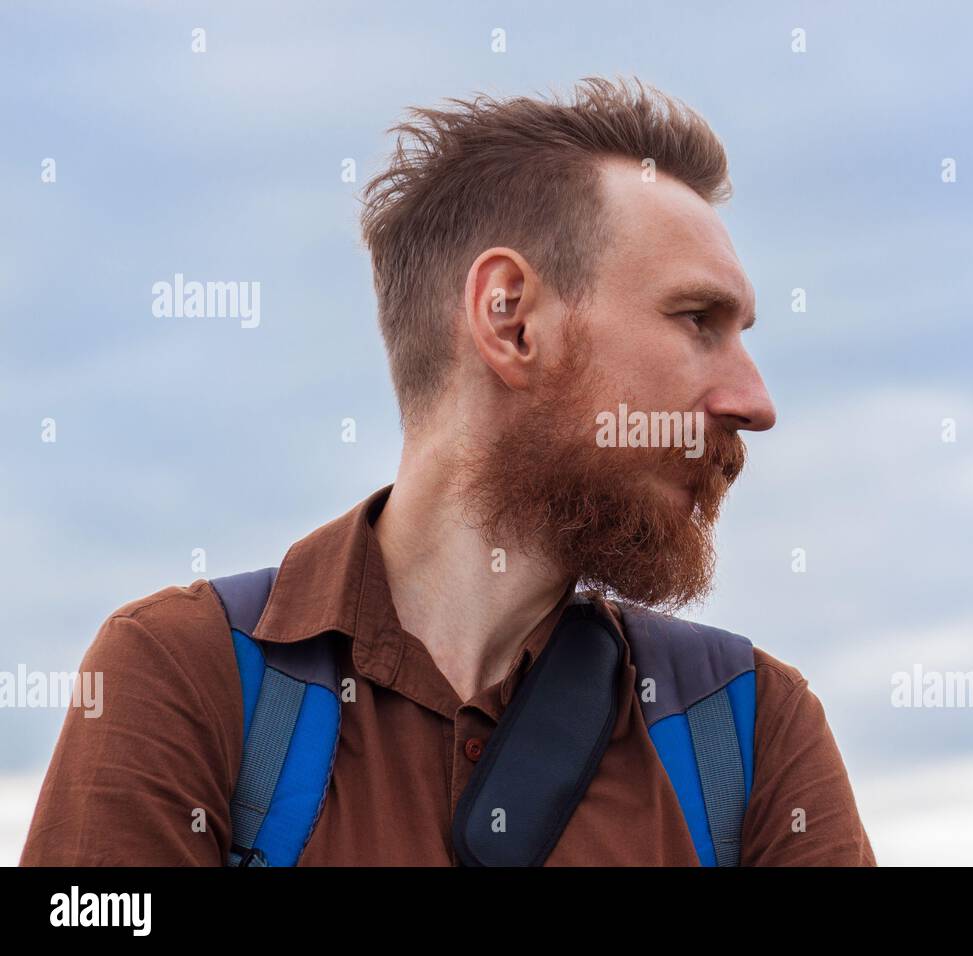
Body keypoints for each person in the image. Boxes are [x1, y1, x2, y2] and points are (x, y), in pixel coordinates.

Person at [20, 76, 876, 866]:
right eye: (697, 321)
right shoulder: (185, 675)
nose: (755, 402)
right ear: (511, 321)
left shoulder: (749, 727)